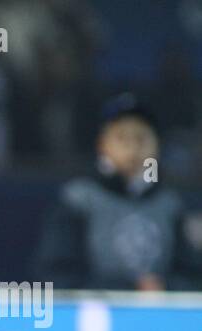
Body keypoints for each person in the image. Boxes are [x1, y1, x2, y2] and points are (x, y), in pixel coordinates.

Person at [34, 95, 202, 291]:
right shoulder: (78, 201)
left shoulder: (170, 205)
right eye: (121, 137)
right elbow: (57, 276)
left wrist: (164, 287)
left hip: (158, 318)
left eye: (141, 138)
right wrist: (130, 288)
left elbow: (192, 278)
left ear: (156, 147)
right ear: (102, 145)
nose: (132, 148)